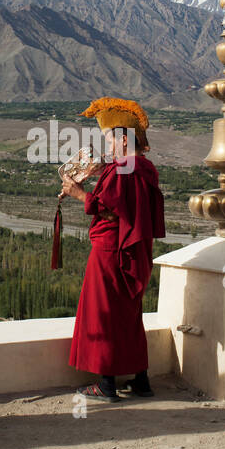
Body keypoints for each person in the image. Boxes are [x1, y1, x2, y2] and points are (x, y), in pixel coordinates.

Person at [59, 97, 166, 402]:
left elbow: (108, 210)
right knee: (128, 314)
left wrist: (80, 193)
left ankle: (106, 383)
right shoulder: (141, 167)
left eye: (108, 138)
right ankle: (140, 380)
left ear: (122, 137)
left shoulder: (125, 170)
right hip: (134, 250)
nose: (106, 145)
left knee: (103, 313)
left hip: (111, 251)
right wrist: (100, 172)